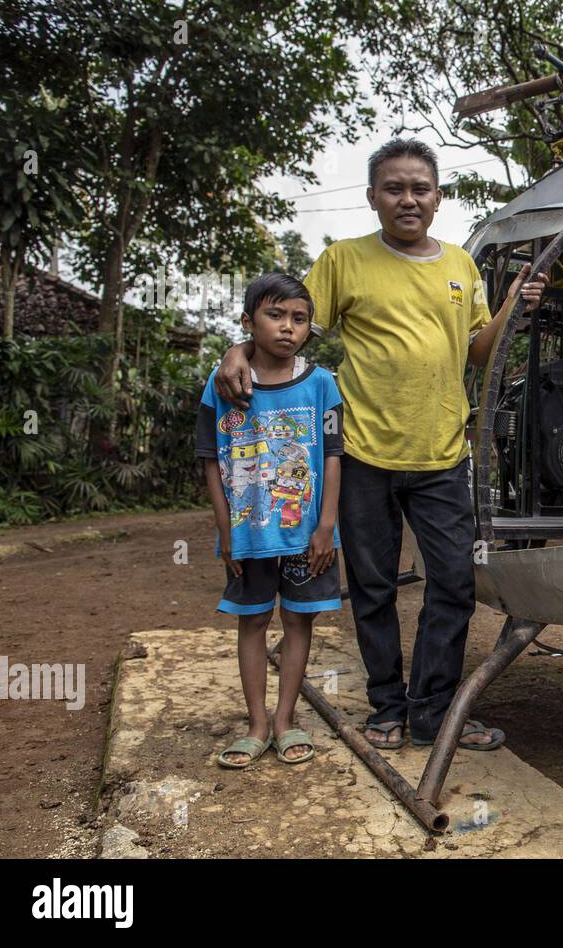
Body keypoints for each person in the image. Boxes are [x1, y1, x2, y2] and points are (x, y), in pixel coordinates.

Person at [214, 139, 547, 752]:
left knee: (453, 585)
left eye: (420, 188)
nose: (407, 199)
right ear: (372, 197)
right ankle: (387, 709)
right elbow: (289, 323)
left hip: (444, 454)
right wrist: (236, 351)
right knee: (373, 588)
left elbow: (477, 350)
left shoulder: (460, 266)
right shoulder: (344, 260)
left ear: (438, 198)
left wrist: (510, 310)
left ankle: (433, 709)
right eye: (394, 188)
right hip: (362, 452)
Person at [197, 272, 344, 768]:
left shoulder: (322, 384)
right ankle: (257, 723)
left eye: (299, 319)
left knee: (299, 622)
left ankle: (285, 719)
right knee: (253, 621)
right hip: (249, 534)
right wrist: (225, 532)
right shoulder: (223, 386)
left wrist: (326, 526)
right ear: (248, 322)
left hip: (307, 535)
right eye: (275, 315)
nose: (288, 328)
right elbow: (210, 461)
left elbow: (332, 456)